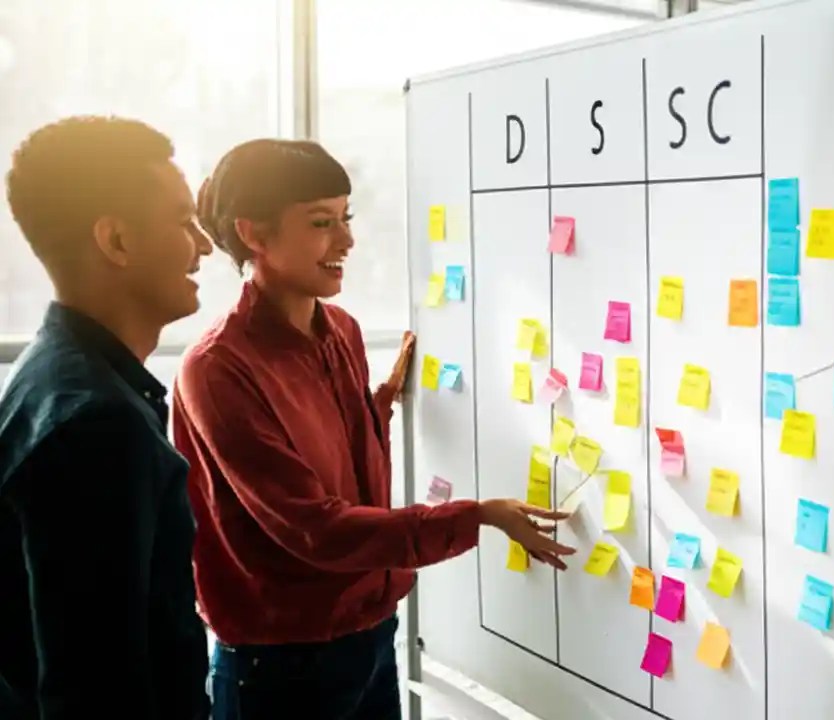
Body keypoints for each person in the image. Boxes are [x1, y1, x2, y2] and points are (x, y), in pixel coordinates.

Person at [173, 139, 576, 720]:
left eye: (346, 218)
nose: (347, 241)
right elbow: (316, 529)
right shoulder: (217, 369)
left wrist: (379, 403)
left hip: (371, 633)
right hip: (282, 665)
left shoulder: (342, 330)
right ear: (255, 235)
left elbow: (335, 454)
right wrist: (477, 515)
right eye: (320, 222)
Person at [0, 117, 213, 719]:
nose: (204, 245)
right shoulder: (96, 426)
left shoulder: (53, 374)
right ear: (116, 240)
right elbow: (95, 689)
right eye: (183, 221)